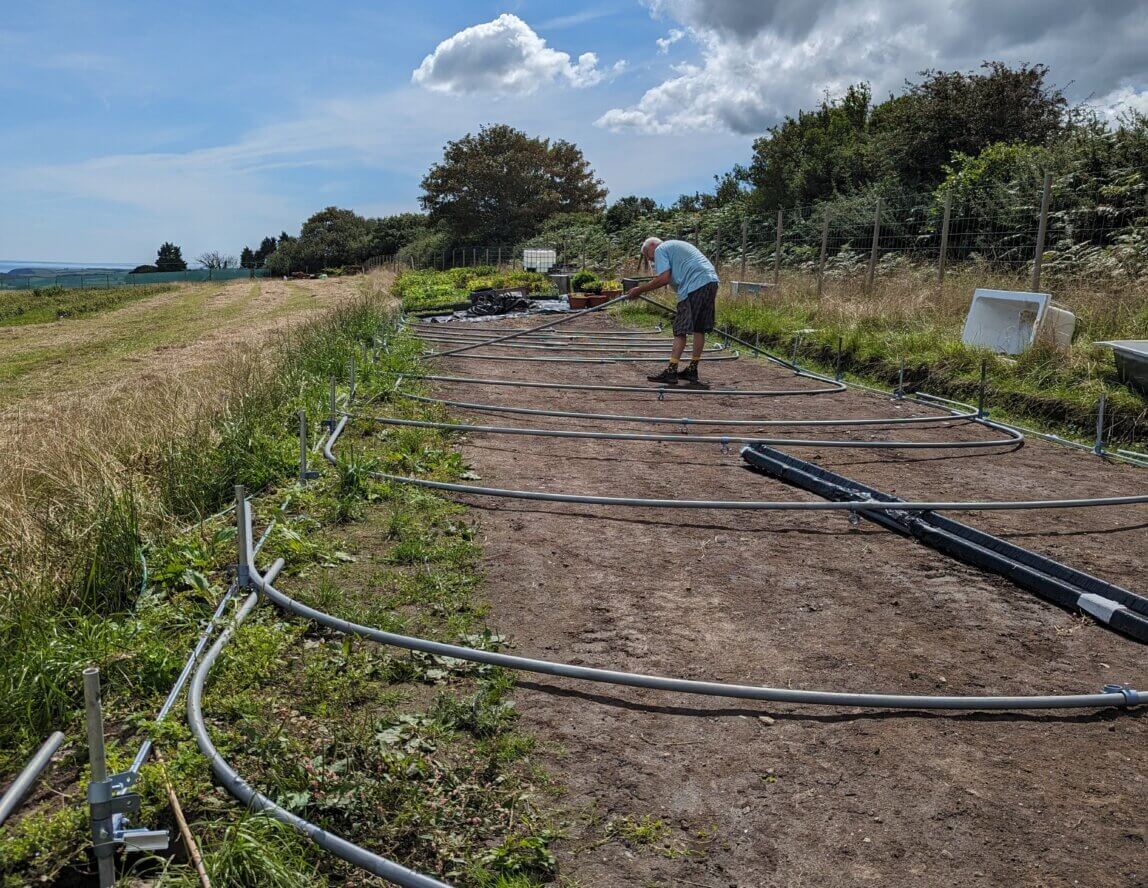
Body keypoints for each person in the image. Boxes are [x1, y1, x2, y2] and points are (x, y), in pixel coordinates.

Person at [625, 237, 719, 385]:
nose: (650, 259)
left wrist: (640, 290)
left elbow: (663, 278)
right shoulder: (674, 247)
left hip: (694, 284)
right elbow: (671, 278)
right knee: (698, 328)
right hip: (711, 280)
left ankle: (671, 371)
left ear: (651, 245)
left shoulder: (661, 249)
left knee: (680, 329)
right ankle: (692, 370)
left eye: (648, 255)